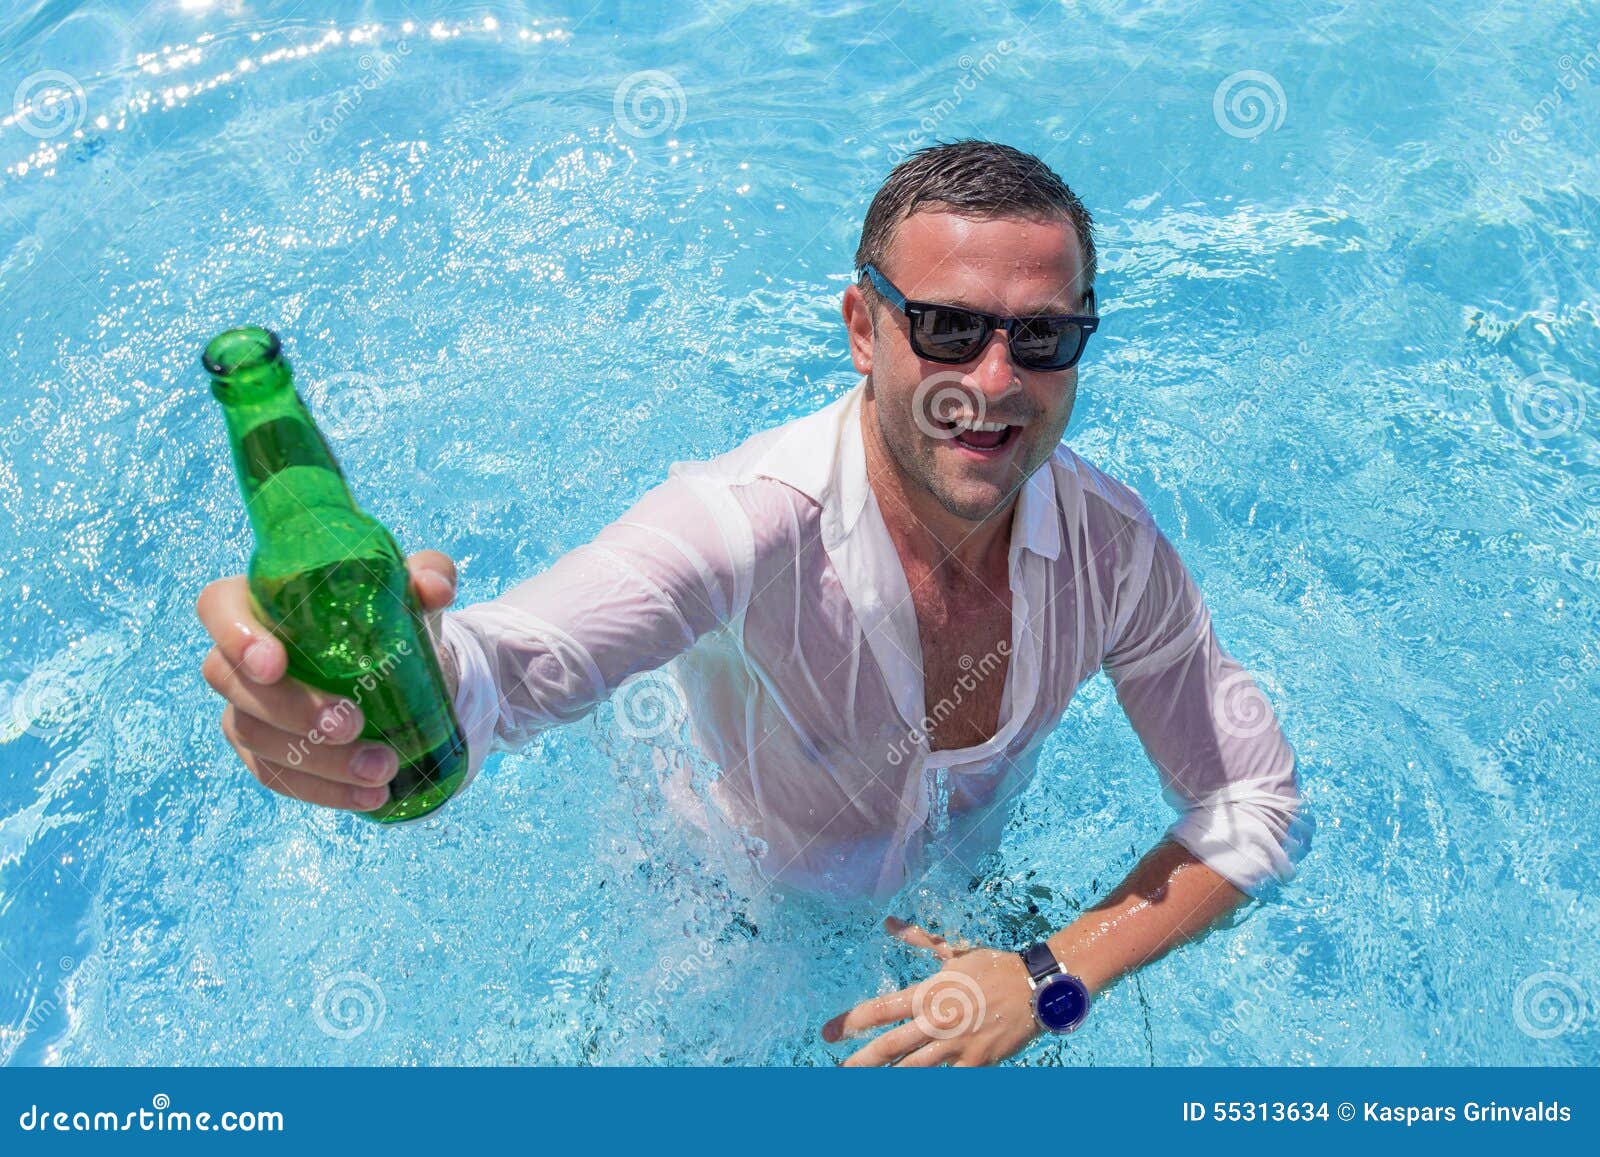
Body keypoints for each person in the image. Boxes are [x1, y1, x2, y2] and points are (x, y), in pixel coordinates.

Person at [196, 139, 1312, 1066]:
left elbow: (1254, 804)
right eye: (947, 327)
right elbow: (499, 671)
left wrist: (1049, 977)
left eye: (1043, 337)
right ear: (861, 328)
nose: (994, 381)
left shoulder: (1111, 551)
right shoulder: (743, 525)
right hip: (724, 914)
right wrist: (353, 694)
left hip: (959, 905)